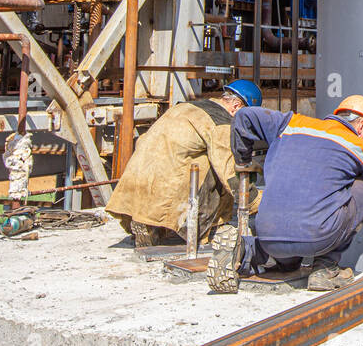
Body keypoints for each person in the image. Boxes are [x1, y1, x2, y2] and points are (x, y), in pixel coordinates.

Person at [217, 95, 363, 294]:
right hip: (318, 237)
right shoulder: (361, 149)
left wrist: (243, 161)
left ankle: (246, 251)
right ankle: (325, 268)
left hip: (268, 234)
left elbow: (244, 115)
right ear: (360, 126)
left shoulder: (291, 123)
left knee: (287, 245)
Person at [106, 80, 262, 248]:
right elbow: (229, 168)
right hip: (167, 185)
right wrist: (256, 202)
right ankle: (209, 226)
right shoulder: (221, 122)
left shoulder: (186, 107)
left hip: (138, 182)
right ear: (237, 107)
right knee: (215, 165)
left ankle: (150, 223)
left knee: (186, 160)